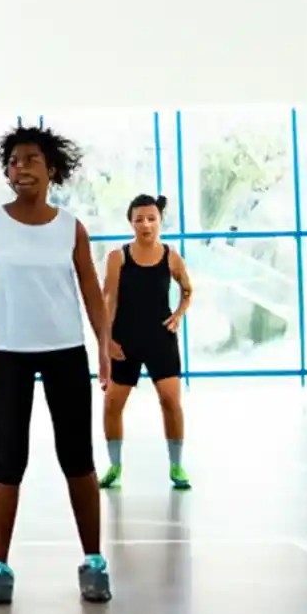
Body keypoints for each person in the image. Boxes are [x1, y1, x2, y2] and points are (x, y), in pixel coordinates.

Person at [0, 125, 112, 605]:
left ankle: (93, 561)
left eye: (31, 160)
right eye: (14, 161)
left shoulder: (71, 227)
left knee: (78, 459)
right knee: (8, 462)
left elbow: (91, 292)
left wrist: (104, 347)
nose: (21, 168)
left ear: (51, 170)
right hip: (6, 355)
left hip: (65, 352)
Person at [98, 194, 193, 491]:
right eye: (139, 219)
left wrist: (178, 315)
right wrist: (106, 341)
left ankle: (177, 465)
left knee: (170, 401)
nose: (146, 224)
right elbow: (107, 301)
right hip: (124, 341)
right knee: (112, 404)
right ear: (131, 223)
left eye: (151, 218)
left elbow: (188, 291)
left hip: (160, 340)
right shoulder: (118, 257)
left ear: (159, 221)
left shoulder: (171, 257)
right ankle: (114, 466)